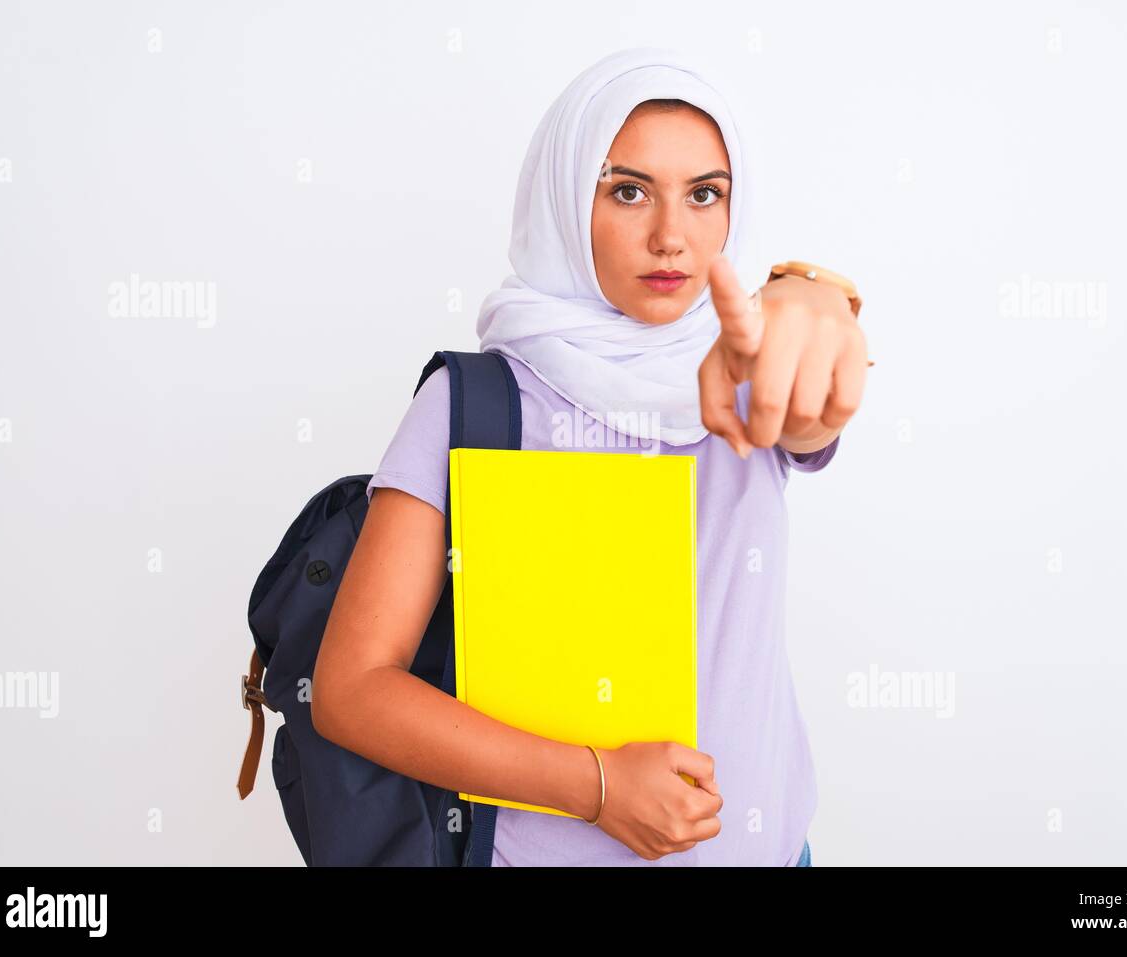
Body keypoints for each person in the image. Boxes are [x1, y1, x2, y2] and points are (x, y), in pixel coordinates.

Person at [312, 46, 868, 866]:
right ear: (568, 198)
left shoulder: (747, 371)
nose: (671, 236)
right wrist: (597, 785)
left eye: (705, 194)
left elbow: (820, 386)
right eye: (628, 190)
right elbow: (352, 691)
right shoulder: (477, 401)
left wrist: (812, 294)